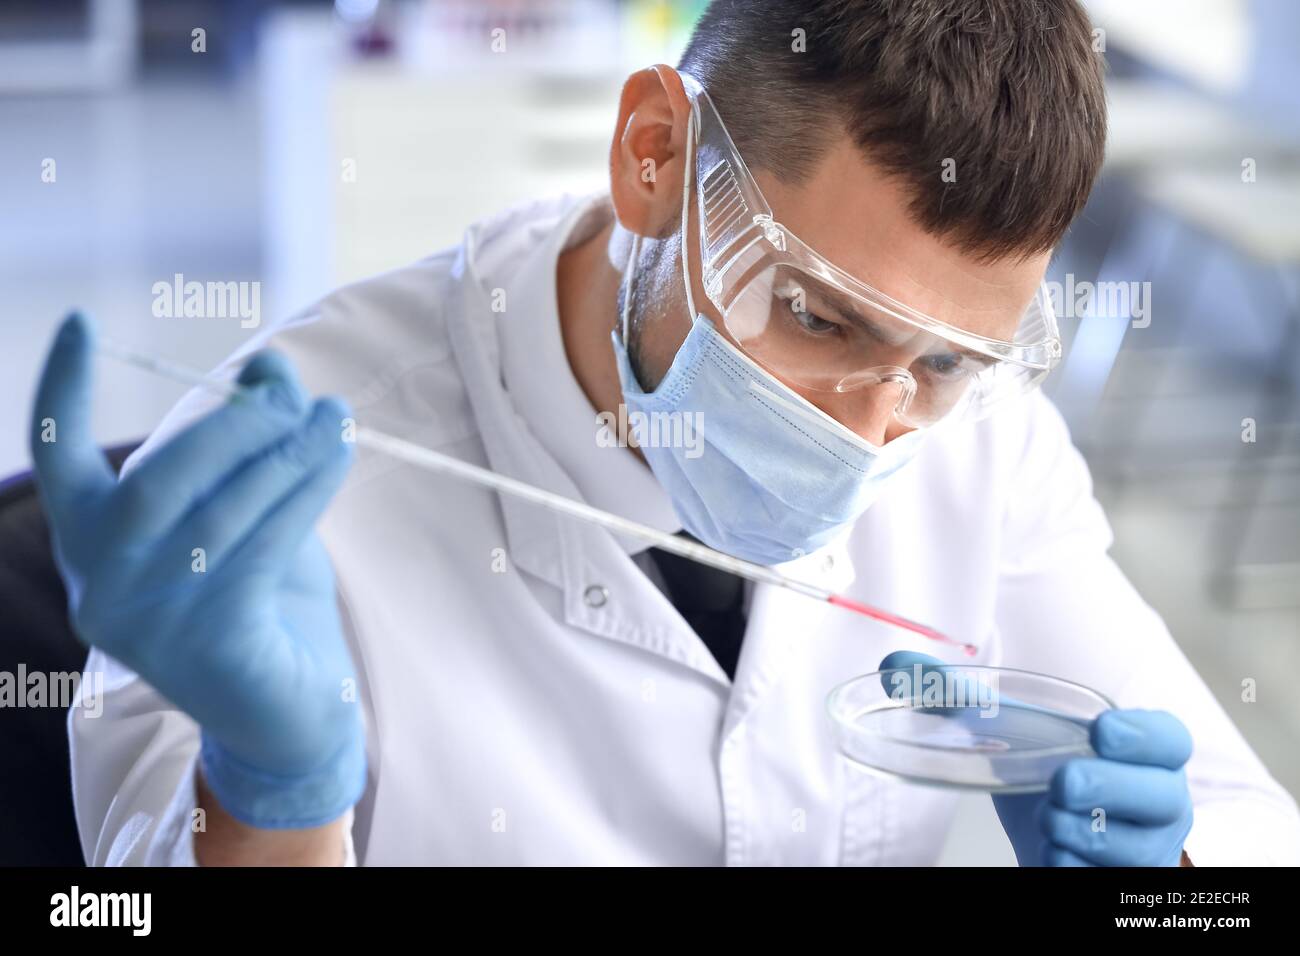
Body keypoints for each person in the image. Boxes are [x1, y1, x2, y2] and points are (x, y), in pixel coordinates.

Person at [31, 0, 1300, 866]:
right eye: (813, 314)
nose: (870, 425)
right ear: (653, 155)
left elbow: (1242, 833)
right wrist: (272, 792)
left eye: (946, 362)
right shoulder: (293, 470)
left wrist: (1161, 879)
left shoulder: (985, 445)